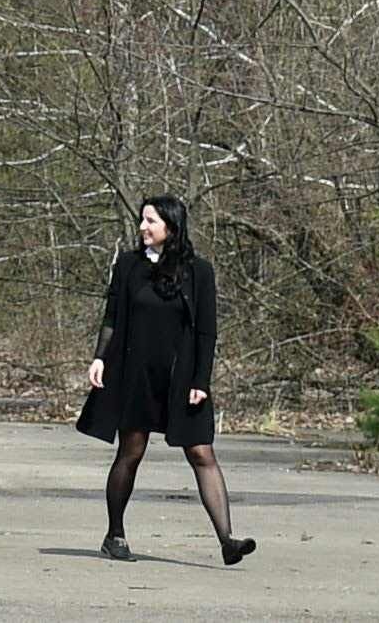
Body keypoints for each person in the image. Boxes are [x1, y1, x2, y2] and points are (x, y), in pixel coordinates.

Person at [78, 195, 252, 566]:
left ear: (170, 227)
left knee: (201, 452)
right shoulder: (127, 266)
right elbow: (112, 317)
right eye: (142, 220)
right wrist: (99, 358)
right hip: (136, 375)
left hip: (181, 378)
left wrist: (200, 380)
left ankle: (227, 541)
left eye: (151, 221)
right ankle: (115, 535)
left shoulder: (199, 271)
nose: (143, 227)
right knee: (131, 452)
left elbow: (207, 332)